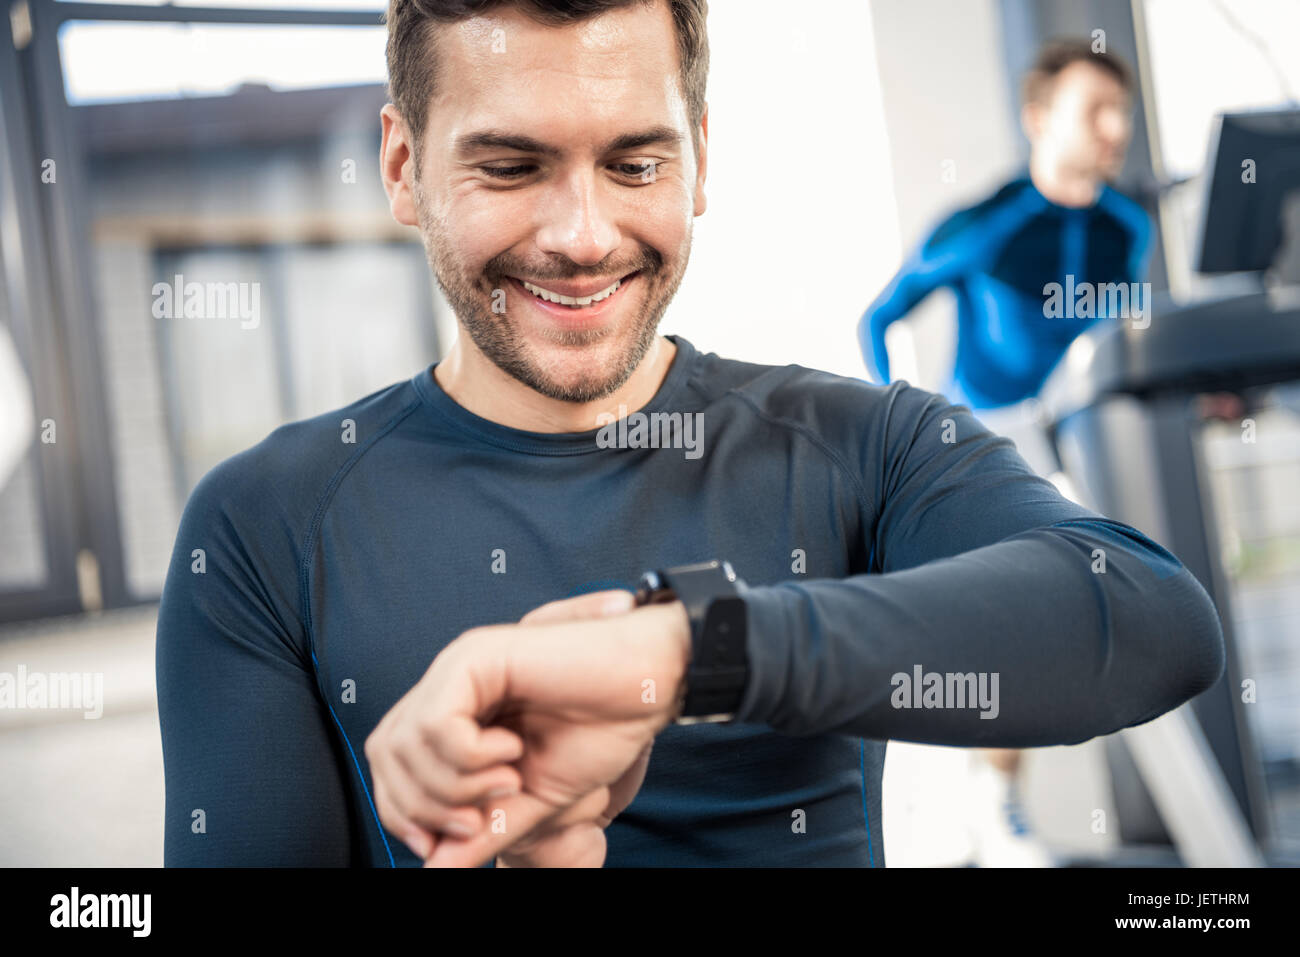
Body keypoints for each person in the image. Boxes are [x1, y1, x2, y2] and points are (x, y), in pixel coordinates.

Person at [156, 1, 1224, 868]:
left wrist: (682, 651)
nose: (581, 237)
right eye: (511, 166)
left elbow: (1152, 620)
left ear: (699, 160)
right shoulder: (265, 524)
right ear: (402, 166)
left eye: (634, 164)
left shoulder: (862, 443)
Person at [858, 38, 1153, 866]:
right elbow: (878, 319)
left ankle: (984, 809)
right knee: (1008, 632)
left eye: (1121, 111)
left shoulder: (1127, 229)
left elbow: (1114, 341)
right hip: (978, 451)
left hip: (1069, 445)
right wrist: (900, 424)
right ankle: (986, 815)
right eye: (1094, 109)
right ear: (1037, 119)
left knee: (1084, 630)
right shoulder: (984, 227)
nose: (1115, 128)